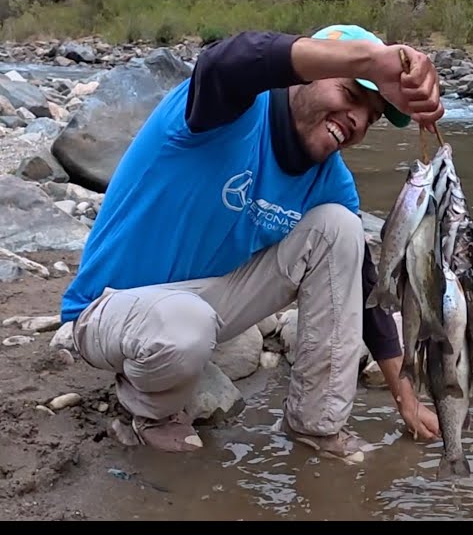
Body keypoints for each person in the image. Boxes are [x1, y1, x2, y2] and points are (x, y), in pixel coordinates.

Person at [59, 24, 446, 465]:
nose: (357, 120)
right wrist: (369, 62)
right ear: (305, 73)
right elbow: (227, 62)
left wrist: (406, 397)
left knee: (341, 228)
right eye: (351, 95)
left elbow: (366, 290)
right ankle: (149, 415)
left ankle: (315, 426)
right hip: (107, 310)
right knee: (184, 324)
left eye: (371, 115)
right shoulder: (227, 110)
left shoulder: (331, 180)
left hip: (203, 308)